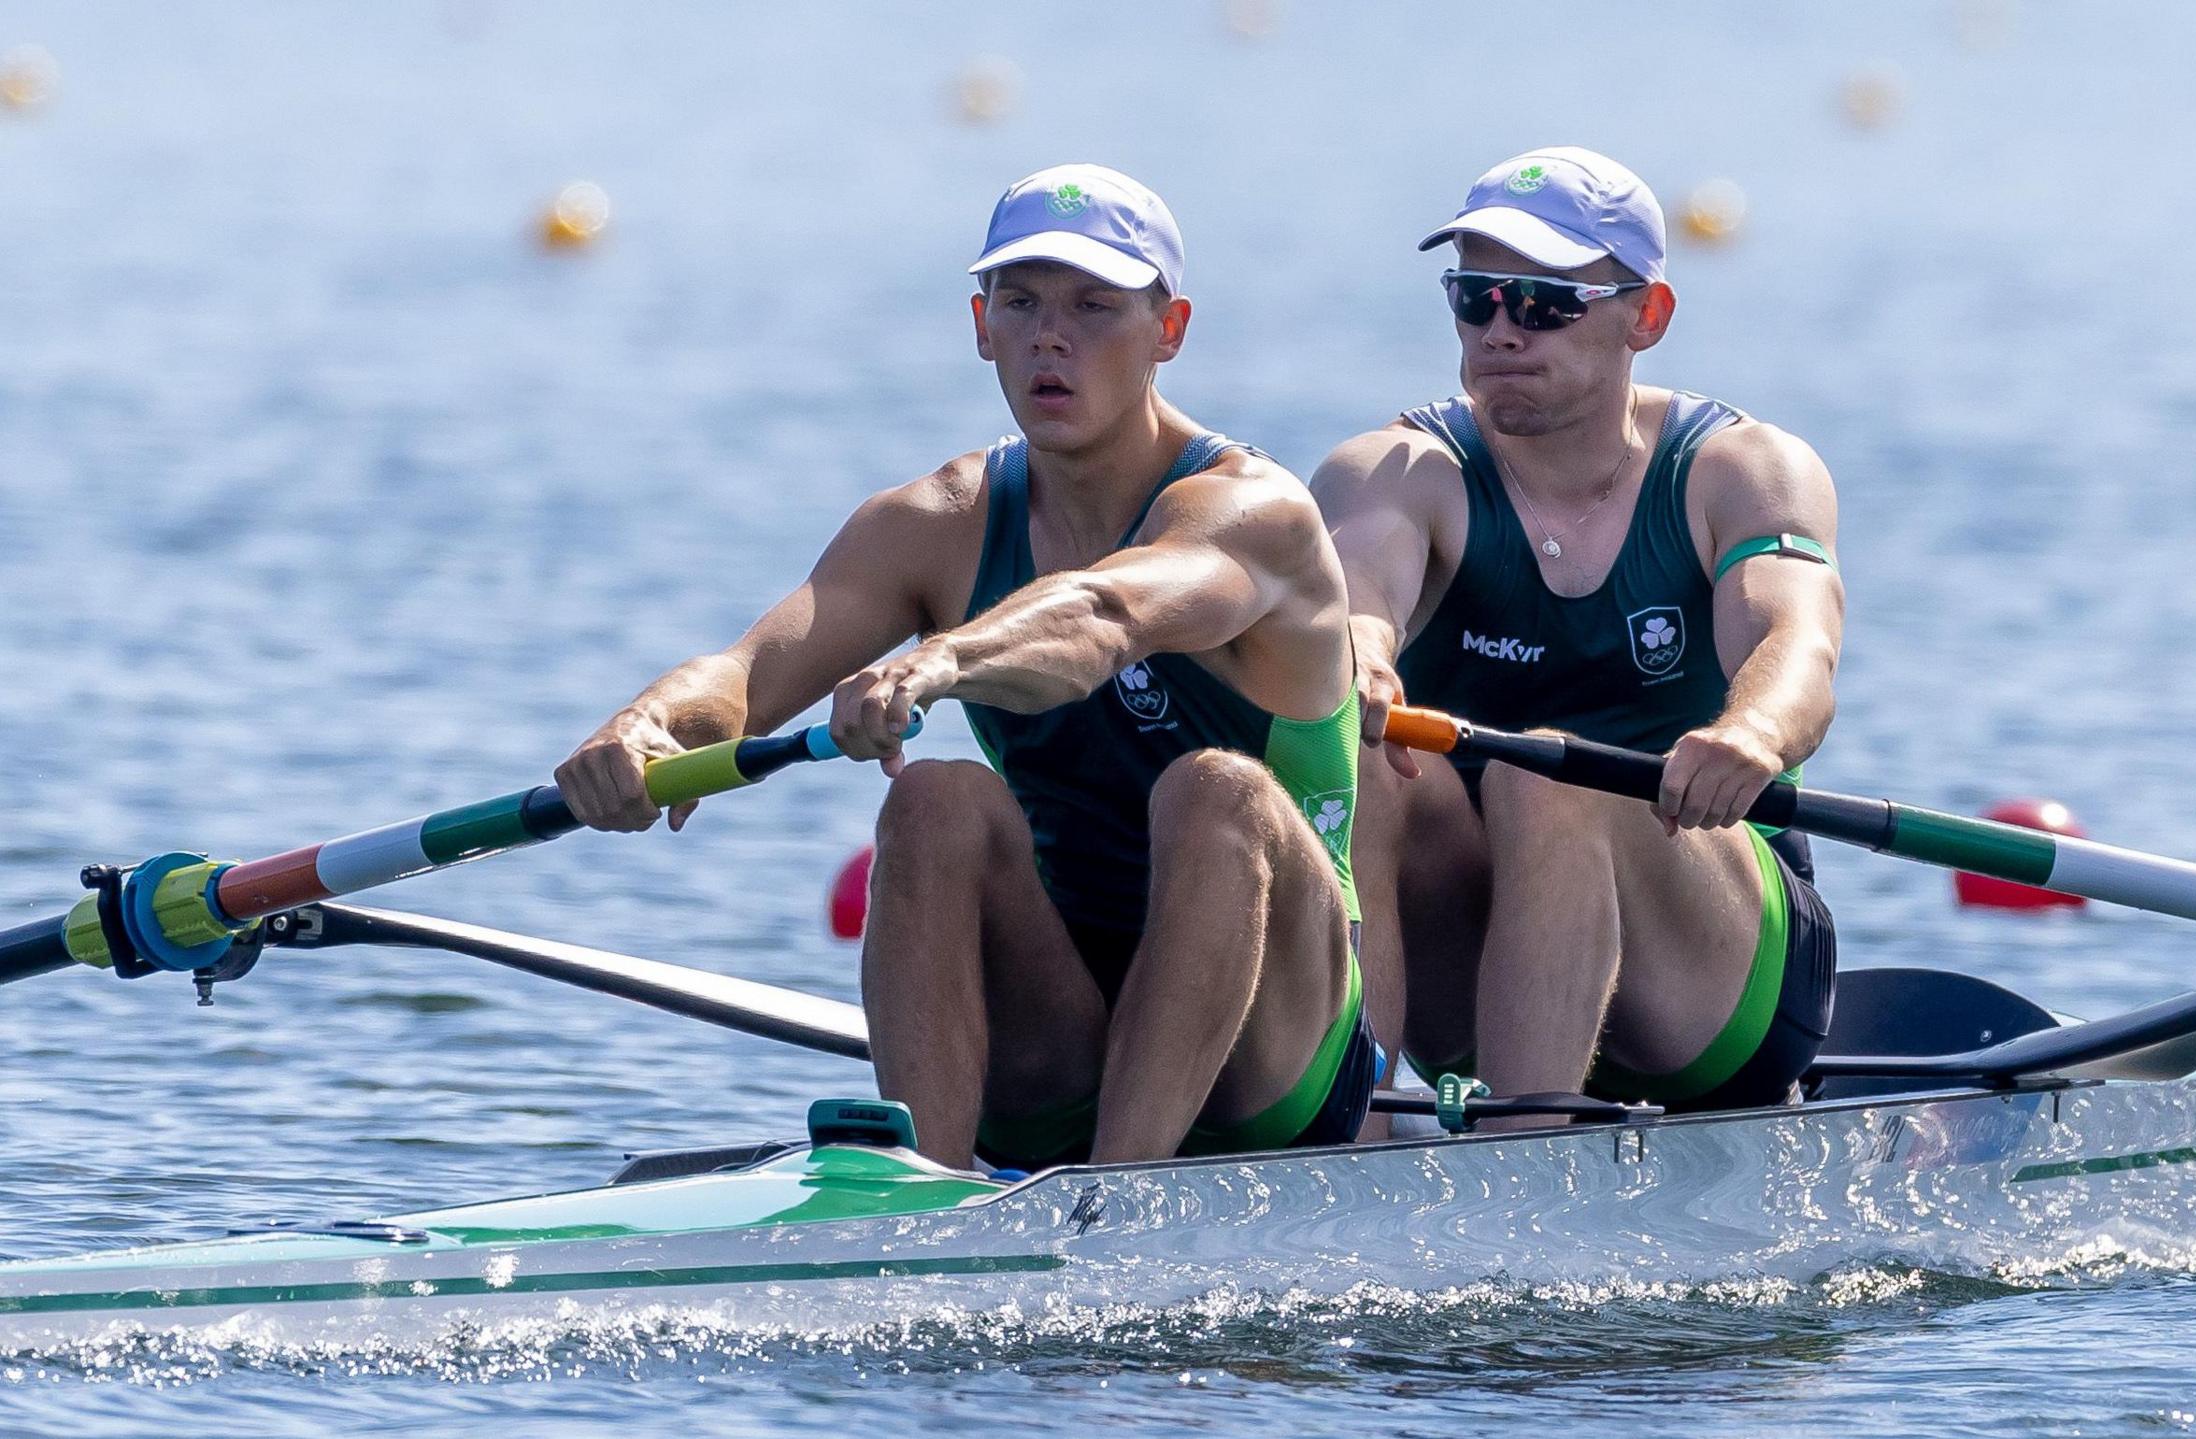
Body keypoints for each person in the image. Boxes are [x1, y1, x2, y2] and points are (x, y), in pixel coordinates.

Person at [557, 164, 1373, 1168]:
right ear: (981, 325)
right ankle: (922, 1200)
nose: (1051, 337)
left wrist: (939, 661)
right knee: (934, 797)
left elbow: (1102, 615)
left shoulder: (1254, 513)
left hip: (1276, 1053)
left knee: (1218, 791)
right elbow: (742, 676)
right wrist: (642, 727)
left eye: (1093, 306)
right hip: (1058, 1025)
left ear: (1170, 330)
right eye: (1020, 303)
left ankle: (1119, 1199)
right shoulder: (934, 523)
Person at [1312, 146, 1843, 1121]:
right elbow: (1354, 604)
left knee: (1551, 776)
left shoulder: (1740, 469)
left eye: (1543, 302)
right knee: (1361, 753)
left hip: (1716, 985)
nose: (1501, 329)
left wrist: (1752, 733)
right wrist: (1360, 663)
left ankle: (1524, 1147)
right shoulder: (1392, 469)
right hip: (1481, 970)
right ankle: (1348, 1134)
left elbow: (1797, 643)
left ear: (1646, 315)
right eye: (1476, 298)